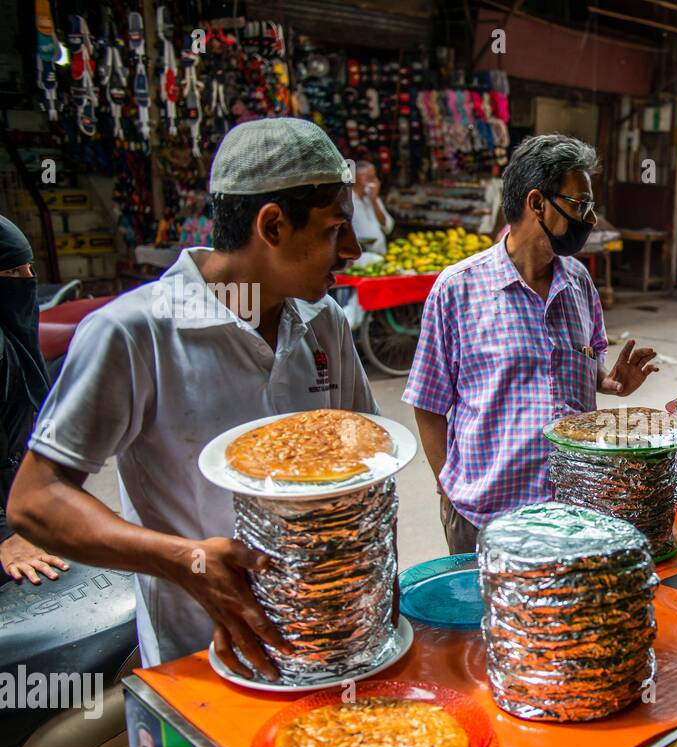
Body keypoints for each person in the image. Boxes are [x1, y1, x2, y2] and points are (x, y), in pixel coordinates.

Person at [8, 117, 379, 680]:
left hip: (332, 632)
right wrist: (188, 562)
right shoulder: (135, 332)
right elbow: (37, 500)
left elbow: (368, 457)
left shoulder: (321, 318)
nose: (351, 249)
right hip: (201, 655)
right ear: (272, 225)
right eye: (334, 230)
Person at [404, 134, 659, 555]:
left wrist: (610, 383)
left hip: (574, 510)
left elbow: (581, 364)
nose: (589, 219)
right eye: (579, 205)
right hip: (486, 516)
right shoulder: (457, 289)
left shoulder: (578, 282)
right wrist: (449, 487)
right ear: (537, 203)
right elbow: (428, 404)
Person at [0, 215, 69, 584]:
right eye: (12, 272)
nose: (26, 280)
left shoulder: (14, 342)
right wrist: (6, 536)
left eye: (29, 269)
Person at [349, 160, 394, 256]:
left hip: (379, 254)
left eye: (373, 177)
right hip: (358, 256)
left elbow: (388, 227)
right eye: (368, 176)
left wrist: (373, 200)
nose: (372, 180)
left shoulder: (374, 199)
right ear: (355, 177)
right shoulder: (347, 200)